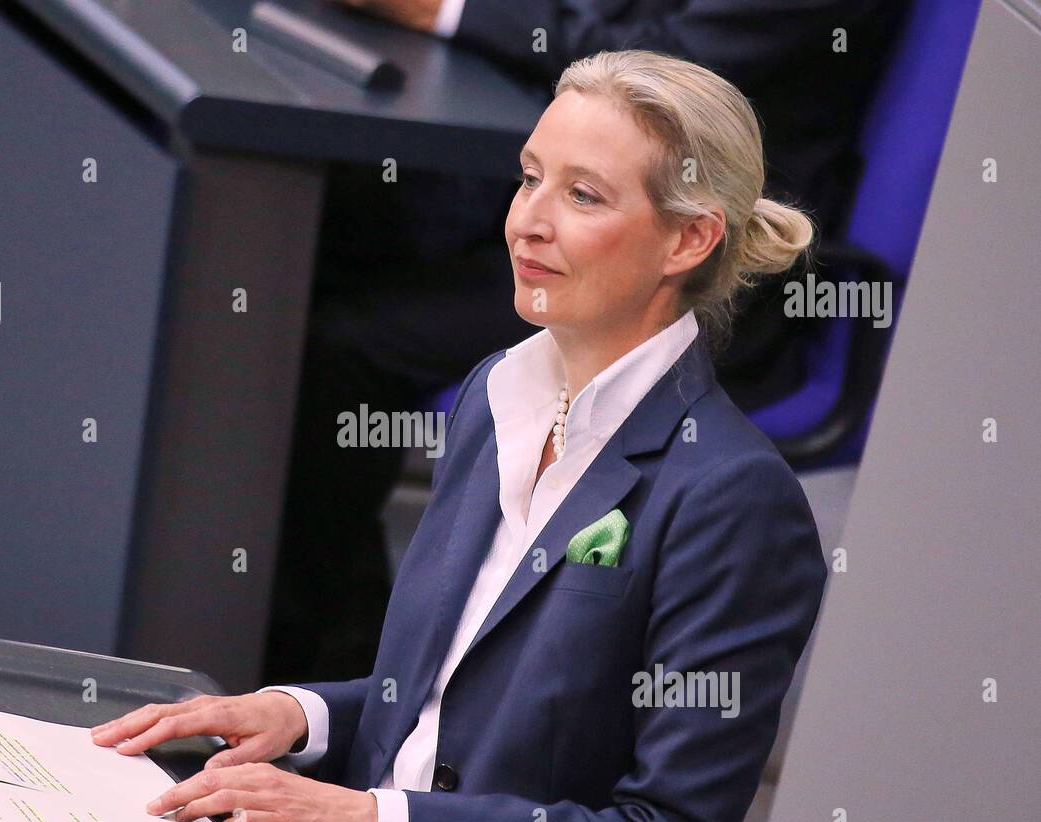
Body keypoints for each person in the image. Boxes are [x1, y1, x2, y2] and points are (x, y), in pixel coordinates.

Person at [94, 50, 827, 822]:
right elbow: (456, 713)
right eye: (529, 178)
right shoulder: (493, 395)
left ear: (689, 239)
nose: (528, 221)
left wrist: (372, 820)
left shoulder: (734, 500)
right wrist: (305, 717)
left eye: (582, 195)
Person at [265, 0, 906, 684]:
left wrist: (444, 10)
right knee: (288, 256)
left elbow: (659, 78)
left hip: (700, 274)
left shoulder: (746, 507)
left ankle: (323, 666)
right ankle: (356, 681)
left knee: (338, 343)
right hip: (554, 195)